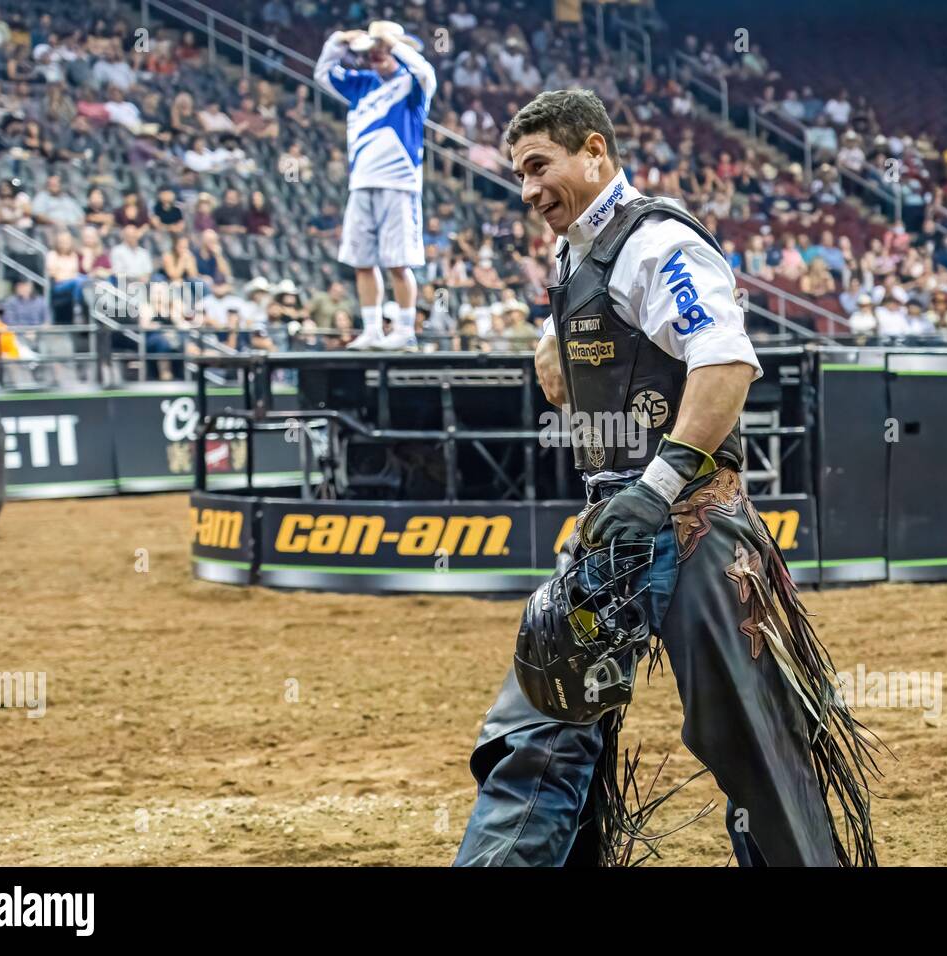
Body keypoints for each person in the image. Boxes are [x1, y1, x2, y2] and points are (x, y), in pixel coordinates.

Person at [454, 90, 877, 868]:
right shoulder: (580, 251)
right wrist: (553, 340)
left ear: (594, 152)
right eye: (518, 174)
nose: (527, 190)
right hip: (619, 529)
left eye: (539, 166)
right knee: (541, 728)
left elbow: (726, 363)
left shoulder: (656, 243)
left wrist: (656, 484)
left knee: (752, 745)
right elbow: (571, 358)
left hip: (691, 529)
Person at [315, 19, 435, 350]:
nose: (376, 57)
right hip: (361, 182)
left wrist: (391, 43)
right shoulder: (362, 83)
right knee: (362, 261)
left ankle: (405, 329)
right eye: (372, 53)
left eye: (381, 52)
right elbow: (323, 73)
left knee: (398, 262)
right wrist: (339, 40)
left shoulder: (411, 84)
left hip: (399, 182)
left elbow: (426, 71)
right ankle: (371, 330)